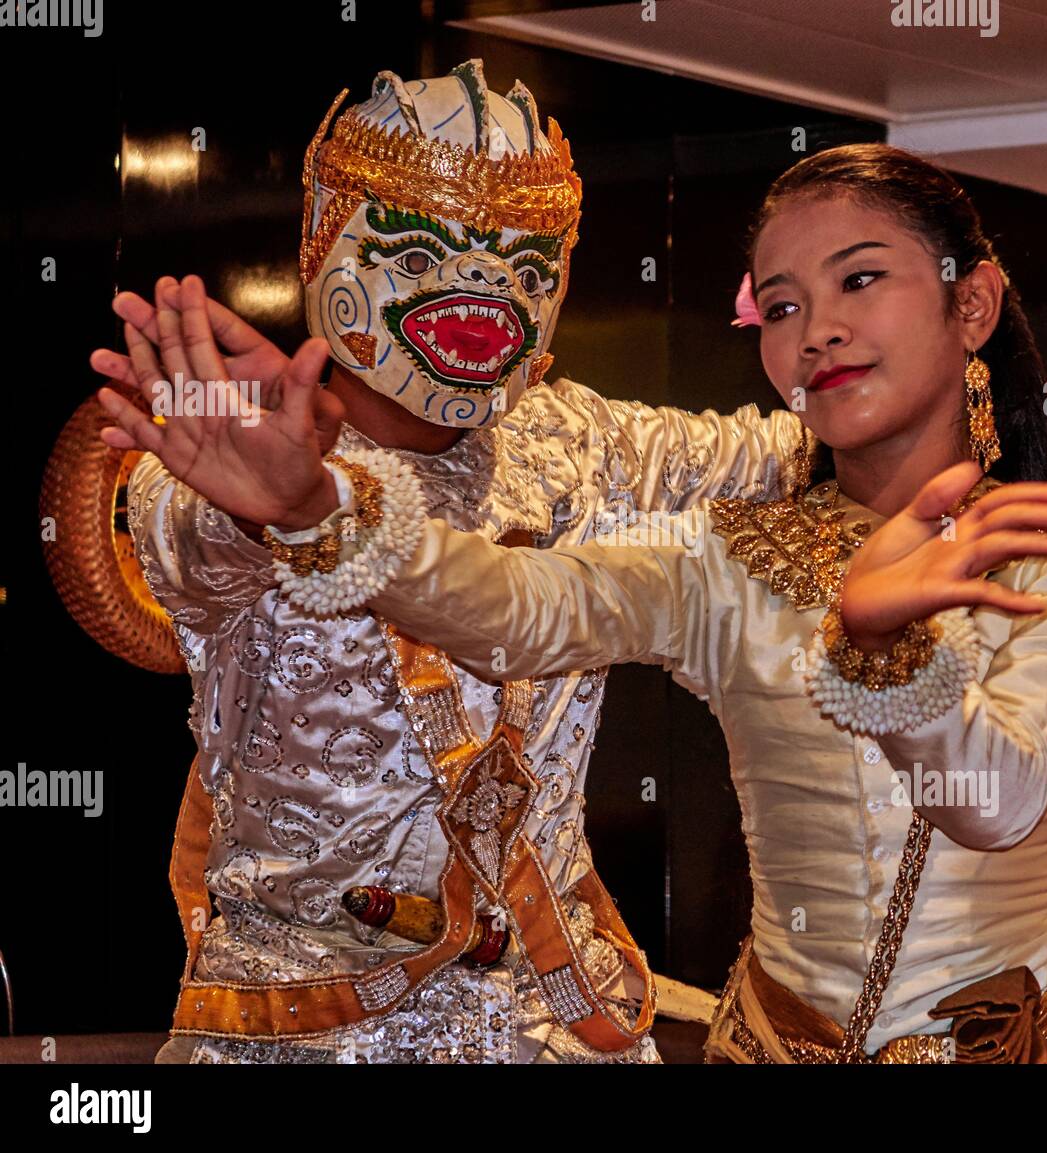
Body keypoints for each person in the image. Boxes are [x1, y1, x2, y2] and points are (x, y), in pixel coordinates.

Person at [99, 143, 1047, 1063]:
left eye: (860, 281)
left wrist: (881, 648)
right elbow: (515, 607)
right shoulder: (729, 559)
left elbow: (988, 804)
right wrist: (317, 507)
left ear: (972, 301)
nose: (816, 333)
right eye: (783, 305)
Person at [92, 62, 803, 1064]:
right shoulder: (230, 462)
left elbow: (799, 455)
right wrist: (286, 508)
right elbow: (200, 544)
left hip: (554, 1027)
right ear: (325, 243)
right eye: (424, 250)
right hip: (309, 1039)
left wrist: (991, 400)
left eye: (523, 268)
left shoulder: (579, 441)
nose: (483, 298)